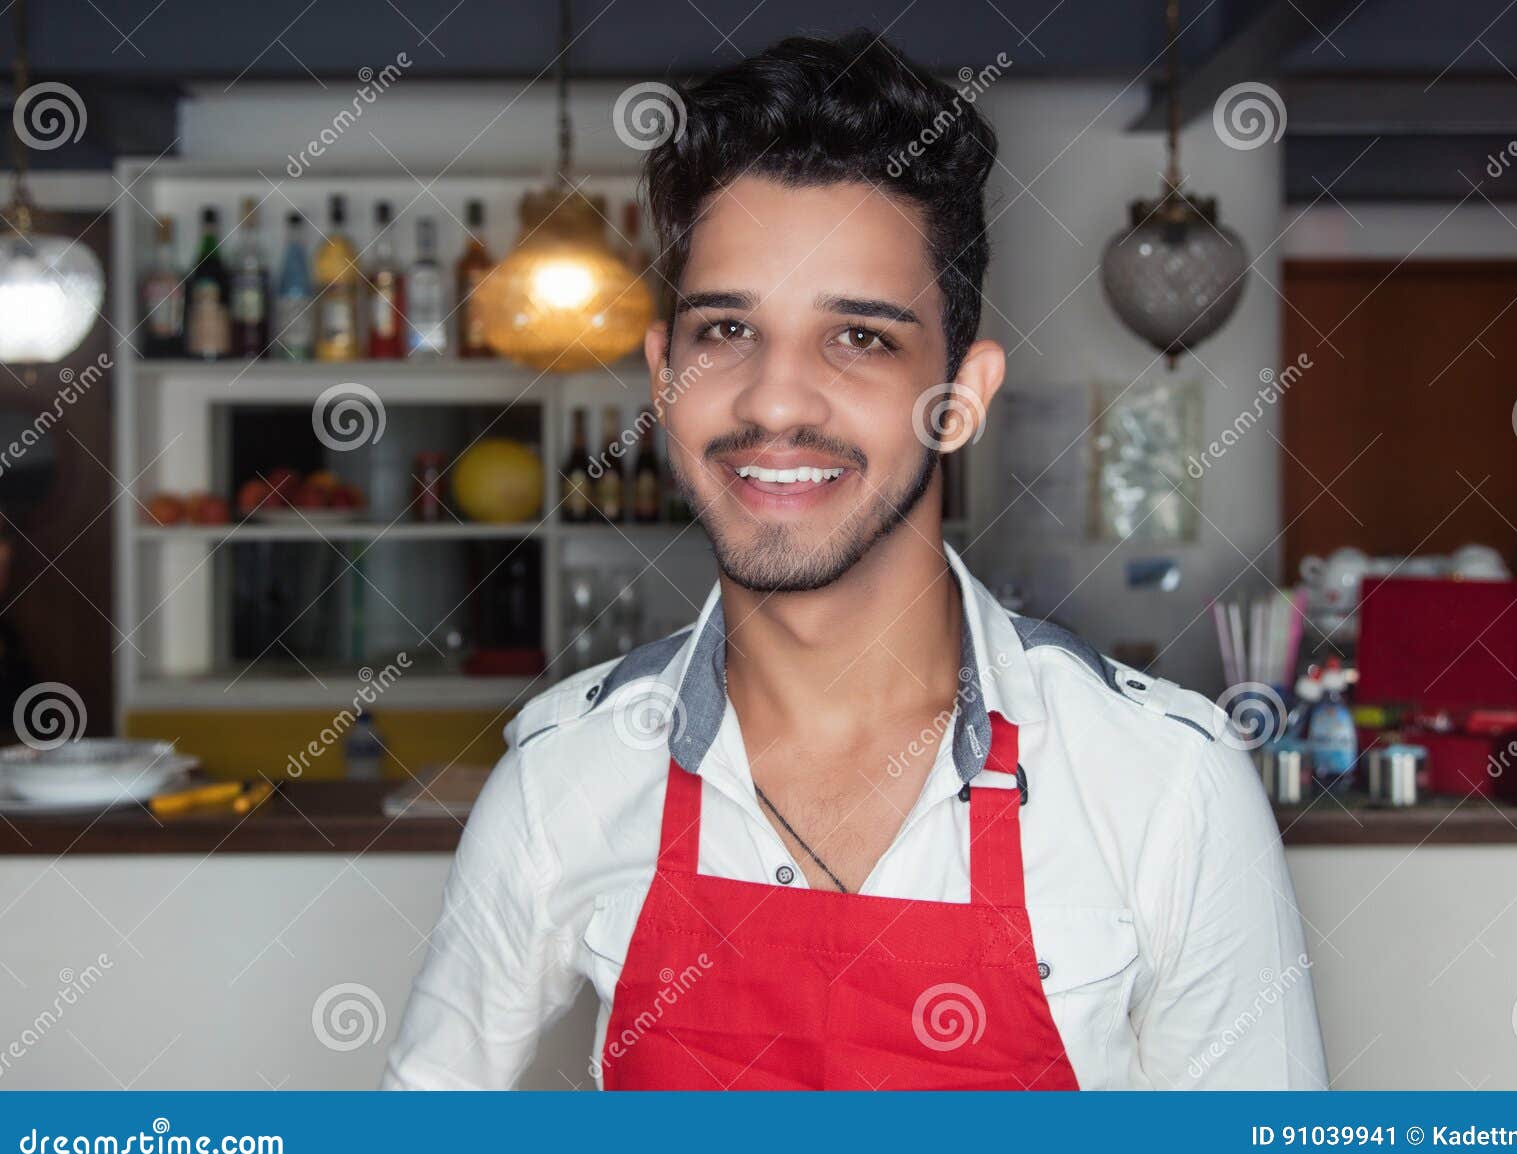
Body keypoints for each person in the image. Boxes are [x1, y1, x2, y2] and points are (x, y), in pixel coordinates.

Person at [384, 29, 1326, 1091]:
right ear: (662, 377)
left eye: (860, 337)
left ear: (961, 397)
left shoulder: (1165, 785)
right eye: (726, 329)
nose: (776, 399)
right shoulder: (566, 777)